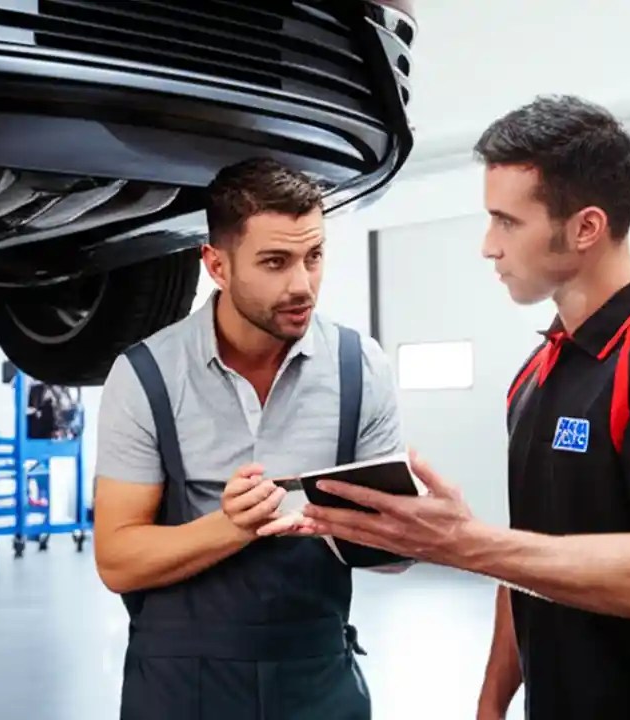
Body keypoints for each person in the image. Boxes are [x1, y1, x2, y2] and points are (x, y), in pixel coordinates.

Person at [298, 95, 630, 719]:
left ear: (585, 227)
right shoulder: (539, 372)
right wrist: (494, 699)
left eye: (507, 221)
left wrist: (466, 545)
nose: (488, 247)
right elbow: (531, 553)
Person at [92, 156, 407, 720]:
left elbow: (390, 553)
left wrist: (407, 531)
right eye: (274, 262)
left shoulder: (362, 366)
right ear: (216, 265)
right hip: (180, 685)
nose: (301, 285)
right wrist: (233, 526)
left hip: (317, 677)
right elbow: (118, 559)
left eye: (314, 257)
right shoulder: (147, 375)